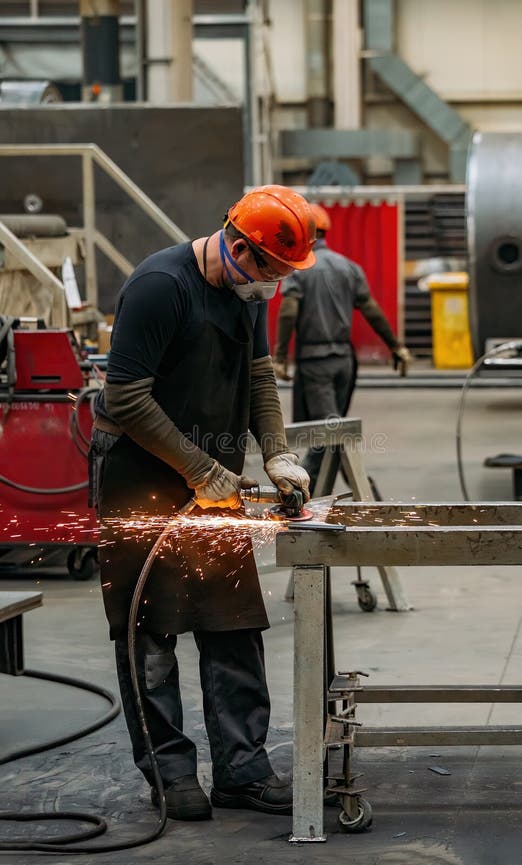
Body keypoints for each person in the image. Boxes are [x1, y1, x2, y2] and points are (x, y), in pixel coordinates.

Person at [89, 185, 314, 822]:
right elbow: (127, 398)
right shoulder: (160, 287)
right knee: (150, 633)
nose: (273, 288)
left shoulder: (247, 290)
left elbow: (260, 375)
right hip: (140, 478)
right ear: (240, 248)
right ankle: (169, 771)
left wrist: (276, 452)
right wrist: (202, 469)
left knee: (232, 623)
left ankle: (243, 771)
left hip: (209, 481)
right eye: (270, 273)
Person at [273, 202, 412, 494]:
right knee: (334, 431)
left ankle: (348, 497)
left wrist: (281, 357)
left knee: (332, 435)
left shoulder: (300, 270)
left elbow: (287, 311)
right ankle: (338, 496)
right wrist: (396, 346)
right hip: (344, 363)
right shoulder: (348, 267)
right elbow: (371, 309)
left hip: (315, 363)